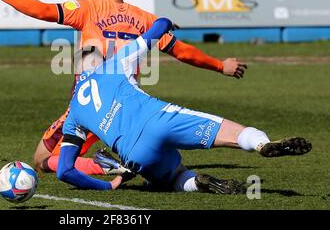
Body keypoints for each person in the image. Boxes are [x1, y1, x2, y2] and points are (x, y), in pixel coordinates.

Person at [0, 0, 248, 176]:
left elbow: (42, 10)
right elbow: (182, 51)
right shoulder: (145, 18)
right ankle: (132, 162)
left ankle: (106, 167)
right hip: (129, 105)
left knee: (41, 161)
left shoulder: (87, 9)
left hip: (90, 104)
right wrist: (220, 65)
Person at [56, 18, 312, 193]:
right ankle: (262, 144)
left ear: (77, 74)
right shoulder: (113, 64)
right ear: (99, 61)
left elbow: (65, 171)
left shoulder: (73, 113)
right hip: (159, 119)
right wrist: (166, 22)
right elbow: (156, 30)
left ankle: (198, 183)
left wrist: (107, 186)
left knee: (174, 178)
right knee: (234, 133)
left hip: (135, 154)